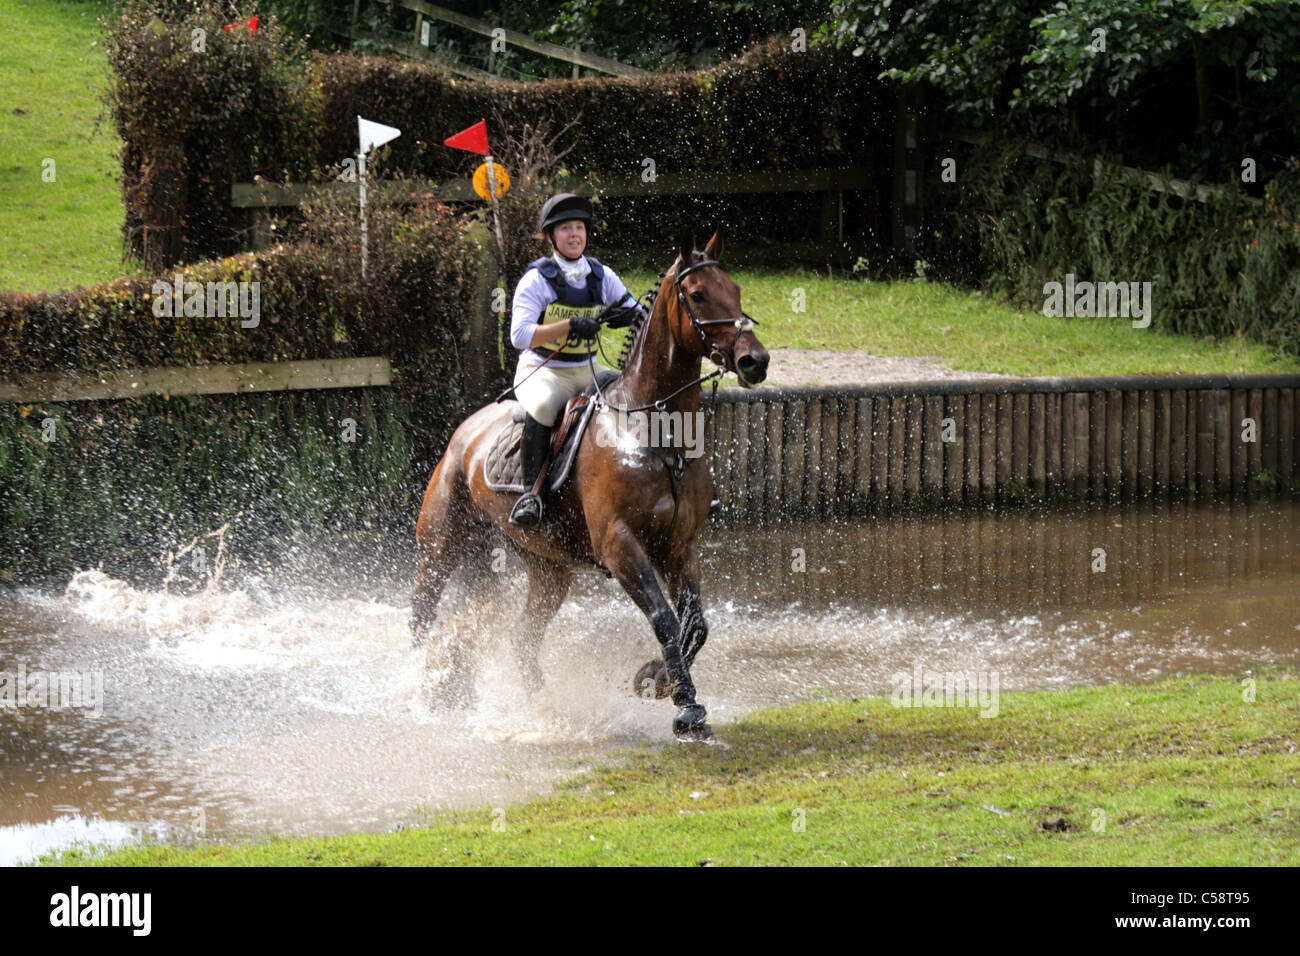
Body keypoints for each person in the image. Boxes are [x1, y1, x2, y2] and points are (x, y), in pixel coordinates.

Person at [507, 193, 640, 528]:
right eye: (565, 228)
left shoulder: (601, 275)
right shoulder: (537, 279)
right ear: (551, 237)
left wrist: (629, 317)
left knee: (634, 401)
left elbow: (636, 312)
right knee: (543, 406)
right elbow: (520, 336)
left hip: (589, 369)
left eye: (579, 227)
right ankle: (531, 496)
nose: (574, 234)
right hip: (544, 370)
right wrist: (567, 325)